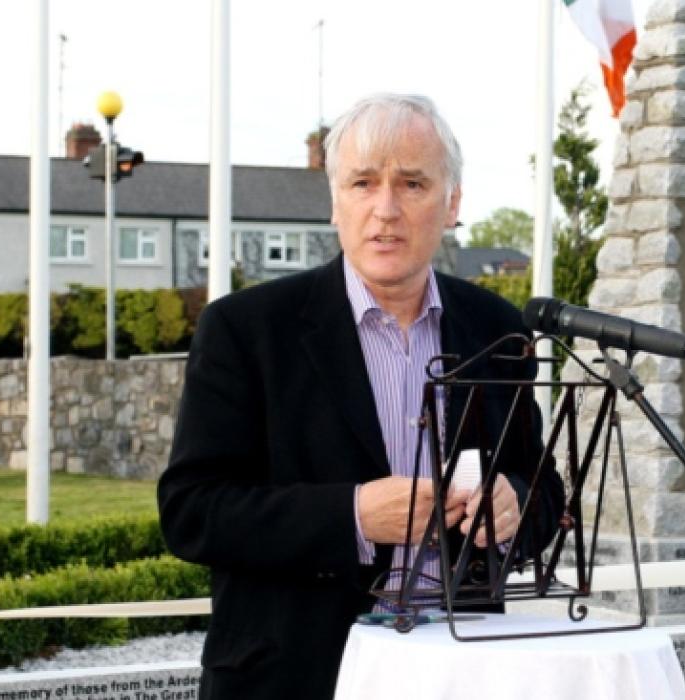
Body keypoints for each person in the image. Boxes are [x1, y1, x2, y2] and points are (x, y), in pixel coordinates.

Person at [157, 93, 564, 699]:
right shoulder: (246, 330)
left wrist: (516, 506)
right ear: (334, 202)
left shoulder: (496, 328)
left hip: (464, 672)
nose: (386, 209)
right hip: (294, 677)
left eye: (414, 183)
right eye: (363, 183)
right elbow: (192, 511)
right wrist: (352, 517)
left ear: (452, 203)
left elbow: (544, 489)